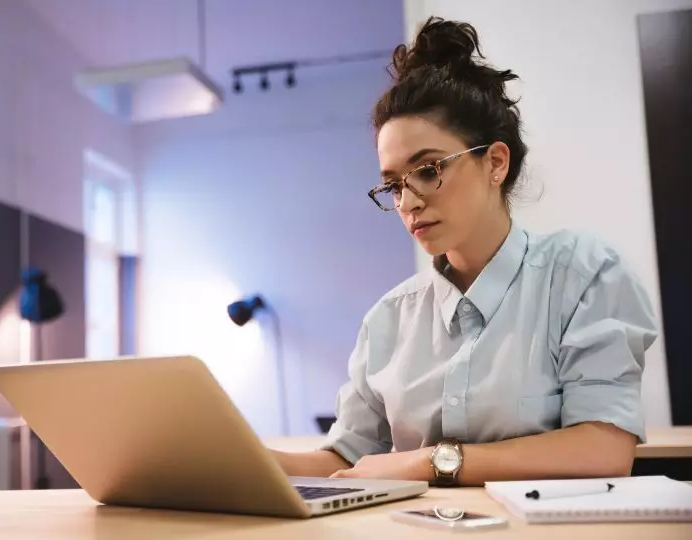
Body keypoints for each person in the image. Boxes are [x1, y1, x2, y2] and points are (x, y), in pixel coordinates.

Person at [272, 17, 658, 486]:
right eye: (393, 186)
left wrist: (430, 460)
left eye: (429, 170)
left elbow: (603, 449)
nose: (408, 202)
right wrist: (240, 456)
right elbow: (346, 460)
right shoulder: (389, 318)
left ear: (495, 162)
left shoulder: (584, 275)